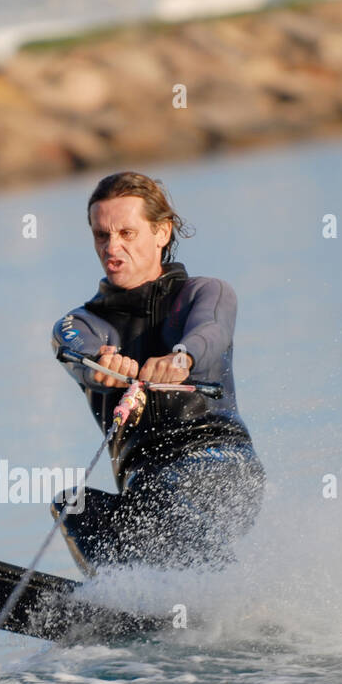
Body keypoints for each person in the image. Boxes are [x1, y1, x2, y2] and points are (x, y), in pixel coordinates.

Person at [51, 171, 264, 573]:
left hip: (221, 464)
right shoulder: (80, 322)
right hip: (145, 484)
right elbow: (75, 351)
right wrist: (103, 366)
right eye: (101, 235)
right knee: (71, 504)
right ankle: (121, 599)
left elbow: (211, 332)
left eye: (127, 233)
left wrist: (180, 360)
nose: (112, 247)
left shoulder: (206, 292)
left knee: (159, 499)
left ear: (162, 232)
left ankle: (223, 597)